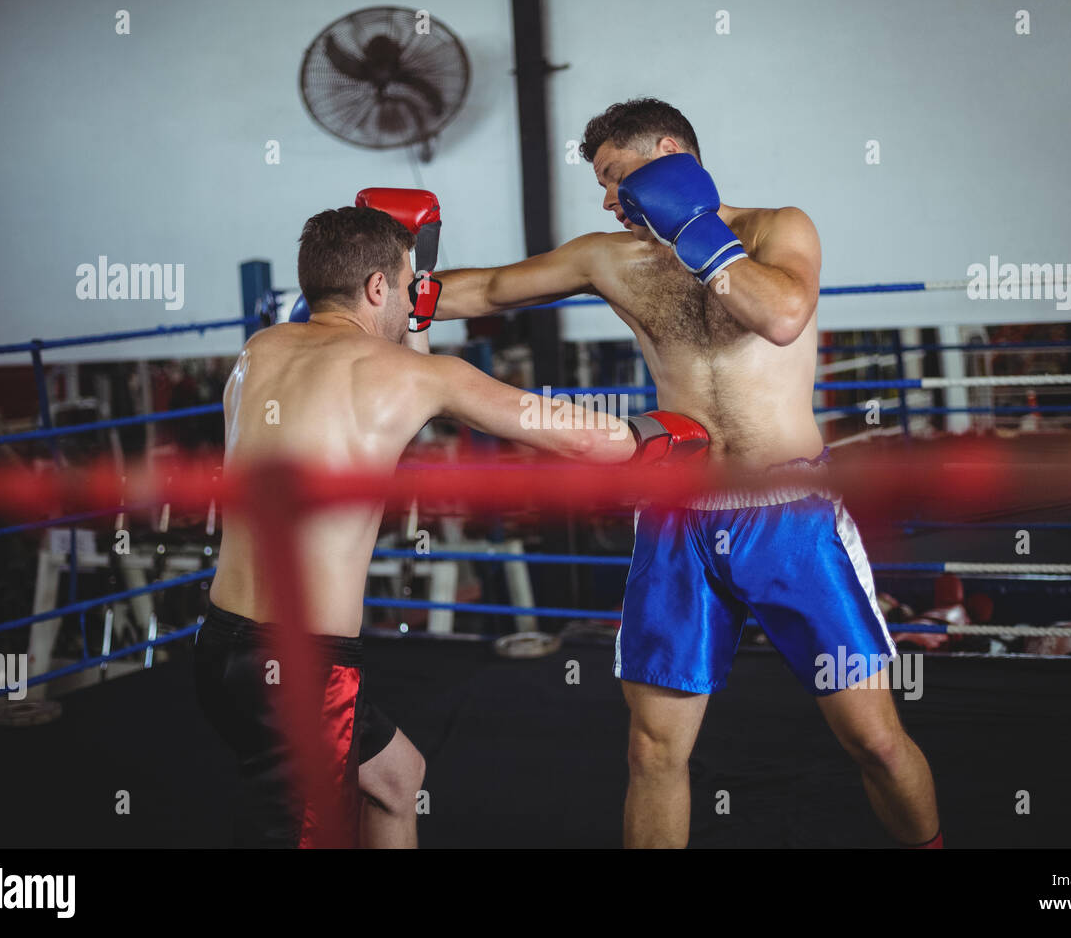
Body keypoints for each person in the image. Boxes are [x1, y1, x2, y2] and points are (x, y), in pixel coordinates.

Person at [432, 99, 942, 848]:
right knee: (653, 750)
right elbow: (489, 289)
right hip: (680, 515)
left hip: (790, 512)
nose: (606, 199)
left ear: (668, 153)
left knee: (874, 740)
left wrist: (693, 230)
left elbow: (783, 316)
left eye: (614, 177)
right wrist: (385, 291)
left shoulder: (776, 229)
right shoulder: (608, 256)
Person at [196, 191, 707, 848]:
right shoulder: (422, 376)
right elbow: (588, 441)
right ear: (378, 286)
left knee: (397, 779)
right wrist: (668, 432)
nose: (418, 303)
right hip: (302, 671)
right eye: (410, 290)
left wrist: (414, 270)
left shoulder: (258, 353)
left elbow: (376, 374)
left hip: (222, 645)